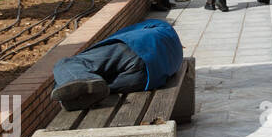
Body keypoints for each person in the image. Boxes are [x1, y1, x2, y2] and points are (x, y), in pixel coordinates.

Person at [50, 19, 184, 111]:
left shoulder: (151, 26)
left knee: (67, 64)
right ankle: (74, 95)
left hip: (136, 49)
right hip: (147, 78)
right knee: (95, 87)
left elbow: (117, 37)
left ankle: (74, 88)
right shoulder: (170, 37)